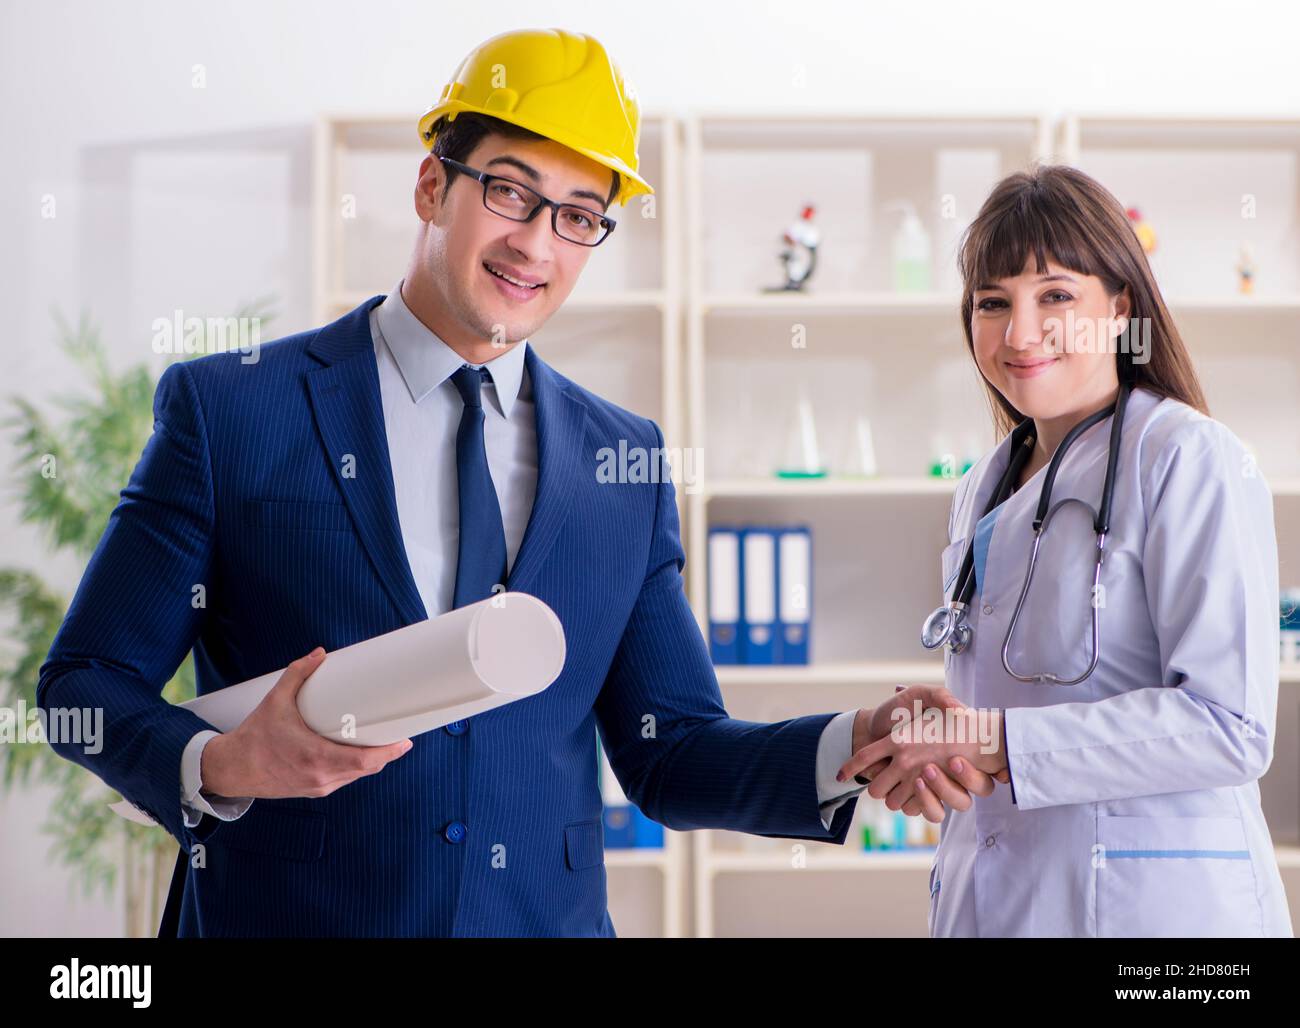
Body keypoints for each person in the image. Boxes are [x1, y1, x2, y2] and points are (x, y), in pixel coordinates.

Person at [37, 28, 994, 938]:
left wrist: (859, 740)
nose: (537, 244)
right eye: (508, 191)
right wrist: (220, 762)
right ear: (429, 186)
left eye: (578, 216)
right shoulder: (237, 411)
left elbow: (673, 749)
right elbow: (85, 681)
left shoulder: (623, 463)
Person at [840, 164, 1294, 937]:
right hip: (998, 901)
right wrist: (933, 755)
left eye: (1055, 295)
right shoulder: (983, 484)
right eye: (993, 302)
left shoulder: (1189, 457)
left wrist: (993, 743)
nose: (1019, 332)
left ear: (1120, 308)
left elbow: (1231, 724)